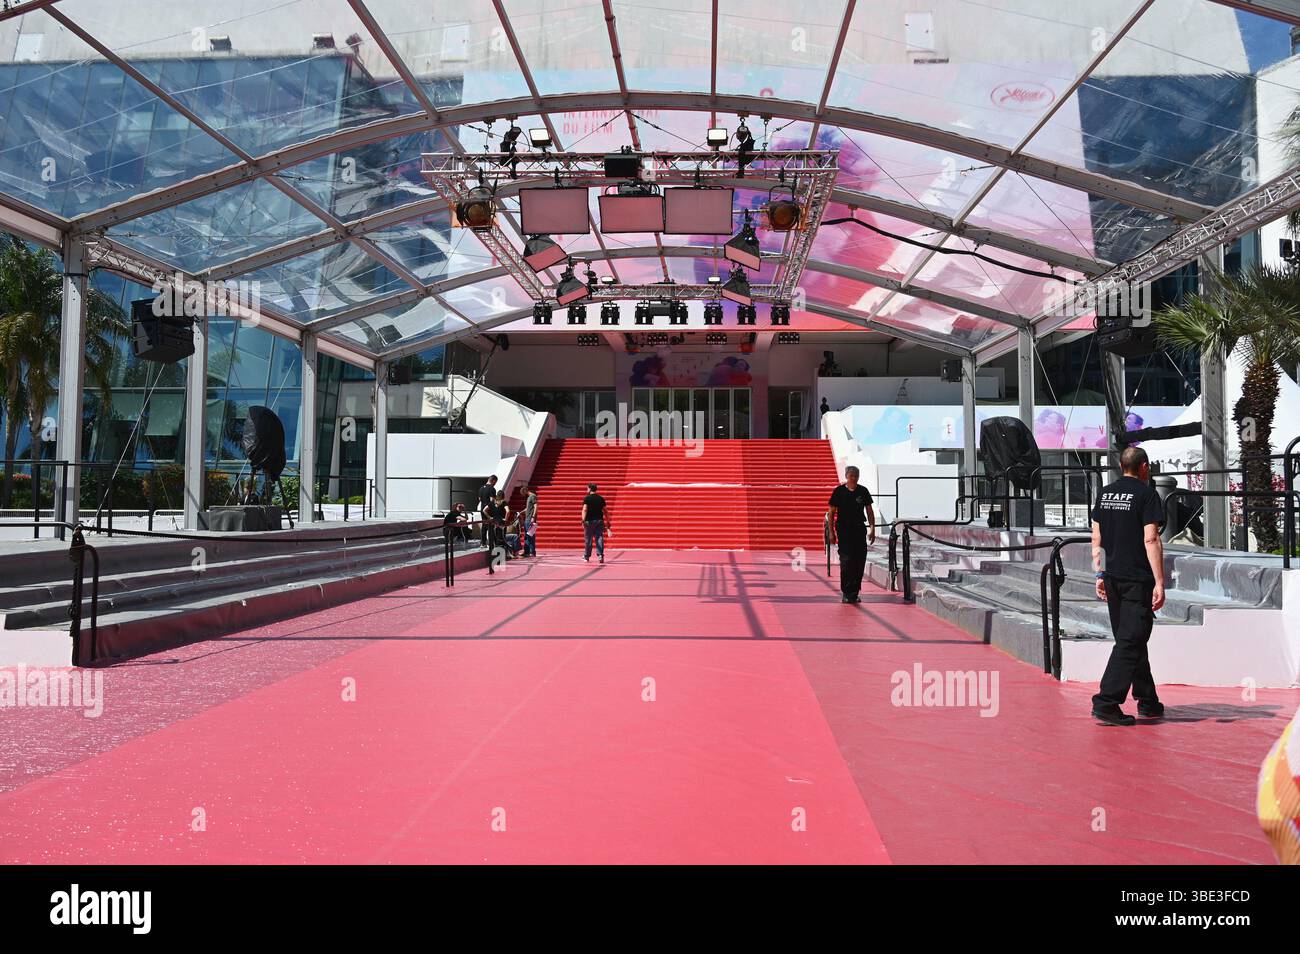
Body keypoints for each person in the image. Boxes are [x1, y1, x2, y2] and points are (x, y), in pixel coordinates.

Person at [1090, 446, 1167, 726]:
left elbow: (1096, 537)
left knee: (1131, 640)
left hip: (1112, 578)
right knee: (1131, 640)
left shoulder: (1105, 493)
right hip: (1136, 579)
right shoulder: (1147, 495)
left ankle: (1147, 701)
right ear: (1144, 466)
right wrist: (1160, 581)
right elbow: (1151, 539)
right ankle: (1107, 702)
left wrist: (1100, 573)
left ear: (1121, 466)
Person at [827, 466, 876, 603]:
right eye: (851, 476)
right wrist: (831, 533)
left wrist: (872, 528)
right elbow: (831, 513)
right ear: (846, 476)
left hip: (859, 529)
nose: (853, 478)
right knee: (847, 561)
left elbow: (869, 511)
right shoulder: (839, 491)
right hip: (844, 530)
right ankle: (846, 592)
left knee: (859, 560)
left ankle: (854, 592)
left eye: (856, 476)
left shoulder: (863, 491)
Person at [581, 482, 610, 564]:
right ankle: (600, 555)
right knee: (599, 538)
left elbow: (585, 509)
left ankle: (586, 556)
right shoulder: (601, 498)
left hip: (589, 521)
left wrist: (583, 520)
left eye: (587, 488)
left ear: (590, 489)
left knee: (588, 539)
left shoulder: (587, 498)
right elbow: (605, 511)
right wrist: (608, 521)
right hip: (599, 521)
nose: (587, 490)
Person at [477, 475, 498, 547]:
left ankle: (483, 543)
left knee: (484, 525)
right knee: (490, 526)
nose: (495, 484)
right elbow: (492, 500)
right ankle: (491, 544)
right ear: (493, 480)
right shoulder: (492, 488)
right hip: (489, 509)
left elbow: (479, 499)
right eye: (495, 482)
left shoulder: (481, 488)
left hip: (482, 508)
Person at [522, 485, 538, 557]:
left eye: (523, 493)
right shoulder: (529, 497)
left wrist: (533, 517)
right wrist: (521, 512)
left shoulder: (533, 496)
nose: (523, 495)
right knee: (527, 536)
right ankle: (527, 551)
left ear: (525, 491)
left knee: (530, 536)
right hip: (527, 519)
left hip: (530, 519)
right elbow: (528, 508)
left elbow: (535, 506)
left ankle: (532, 552)